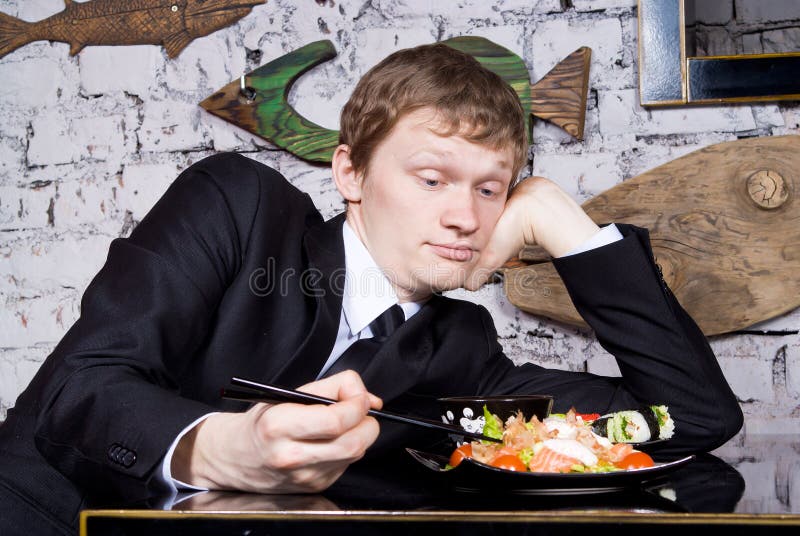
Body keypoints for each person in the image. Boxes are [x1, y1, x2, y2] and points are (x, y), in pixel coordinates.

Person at [0, 43, 742, 535]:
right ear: (350, 173)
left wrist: (563, 220)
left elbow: (688, 420)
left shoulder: (461, 351)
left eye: (491, 189)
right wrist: (229, 447)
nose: (465, 217)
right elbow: (79, 388)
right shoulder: (239, 206)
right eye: (432, 179)